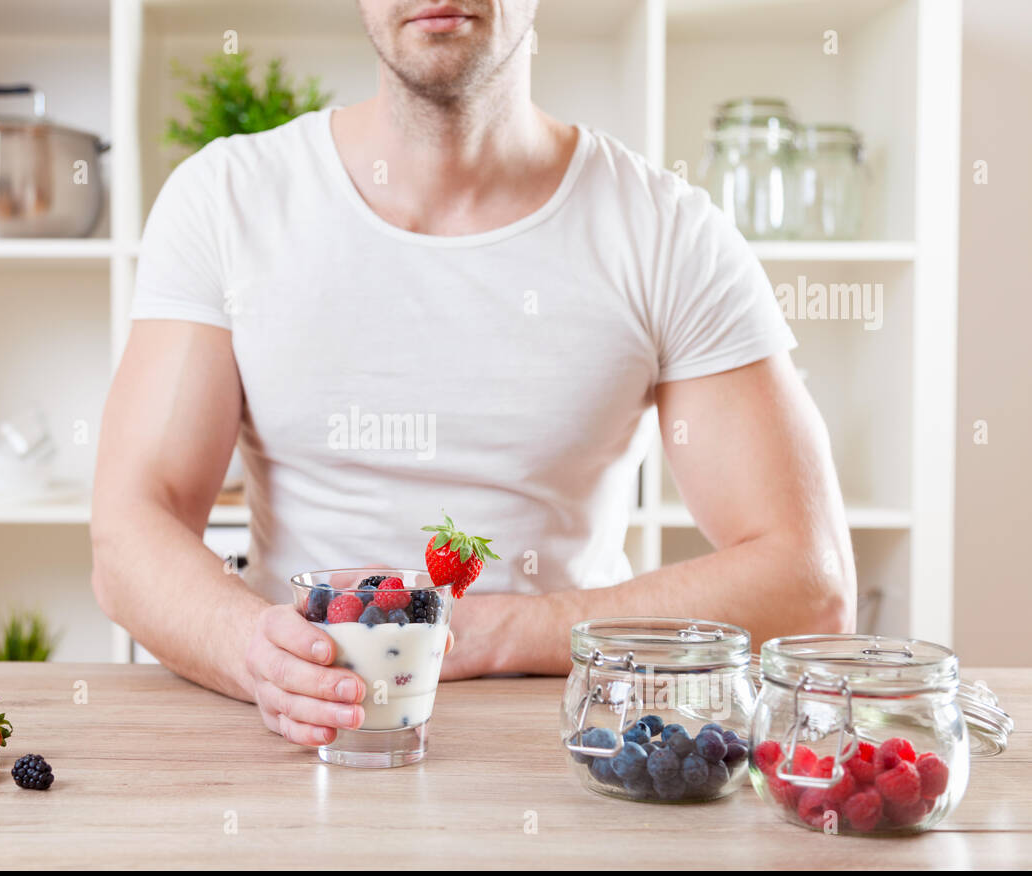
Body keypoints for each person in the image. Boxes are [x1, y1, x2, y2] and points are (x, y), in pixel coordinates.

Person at [91, 0, 856, 748]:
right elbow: (129, 532)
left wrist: (495, 630)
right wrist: (251, 647)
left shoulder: (668, 230)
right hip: (303, 735)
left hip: (573, 747)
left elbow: (808, 582)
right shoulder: (225, 199)